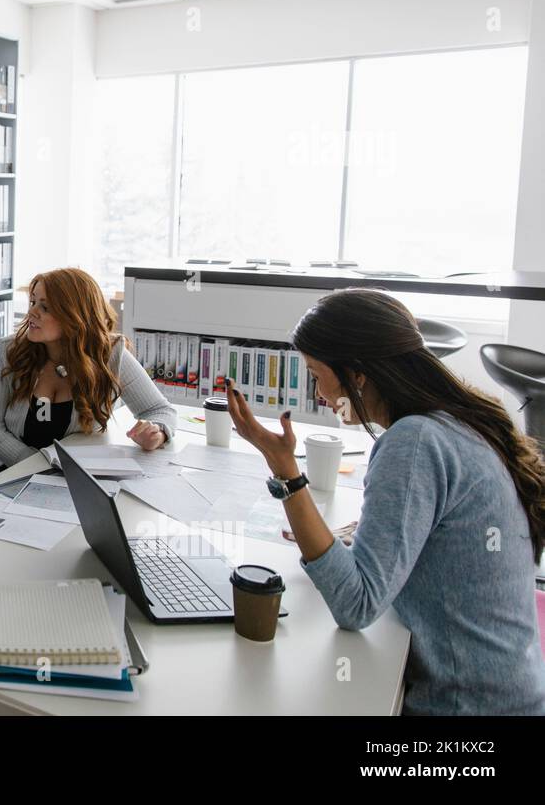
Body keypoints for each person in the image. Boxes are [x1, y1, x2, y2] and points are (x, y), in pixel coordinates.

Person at [224, 287, 545, 715]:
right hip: (509, 692)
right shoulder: (458, 421)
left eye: (317, 374)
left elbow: (356, 605)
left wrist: (284, 468)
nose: (317, 392)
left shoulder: (412, 442)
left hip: (464, 706)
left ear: (357, 375)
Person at [0, 267, 175, 486]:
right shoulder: (10, 352)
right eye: (33, 302)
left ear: (75, 316)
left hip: (71, 475)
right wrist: (37, 466)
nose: (32, 312)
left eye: (45, 307)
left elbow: (160, 410)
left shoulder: (109, 355)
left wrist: (157, 432)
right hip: (7, 469)